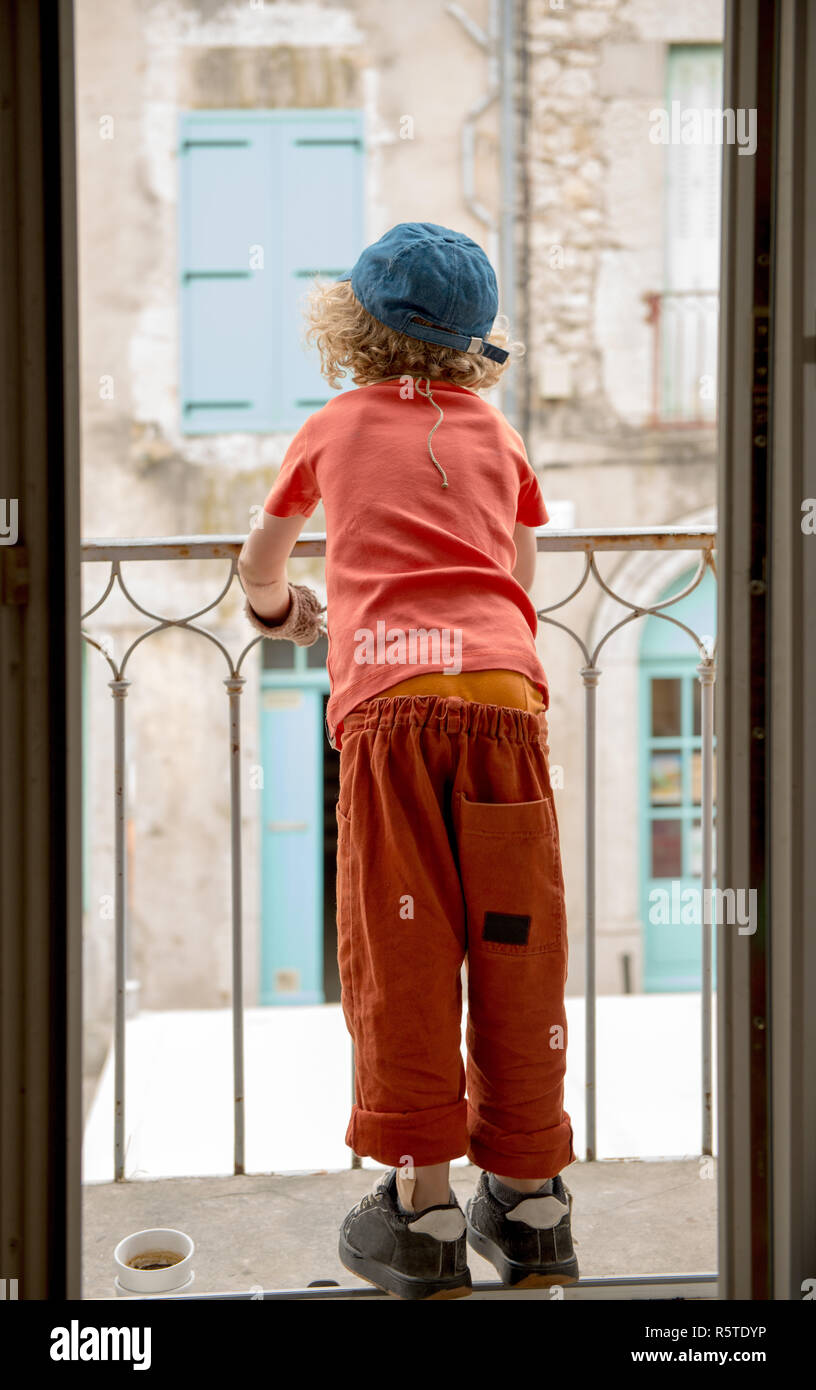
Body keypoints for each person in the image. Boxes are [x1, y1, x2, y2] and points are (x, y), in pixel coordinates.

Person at [238, 221, 578, 1300]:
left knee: (407, 953)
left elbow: (261, 568)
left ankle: (424, 1210)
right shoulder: (499, 433)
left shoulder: (332, 426)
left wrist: (295, 615)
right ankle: (531, 1203)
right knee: (520, 949)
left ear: (354, 323)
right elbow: (516, 572)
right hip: (505, 702)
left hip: (391, 709)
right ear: (477, 342)